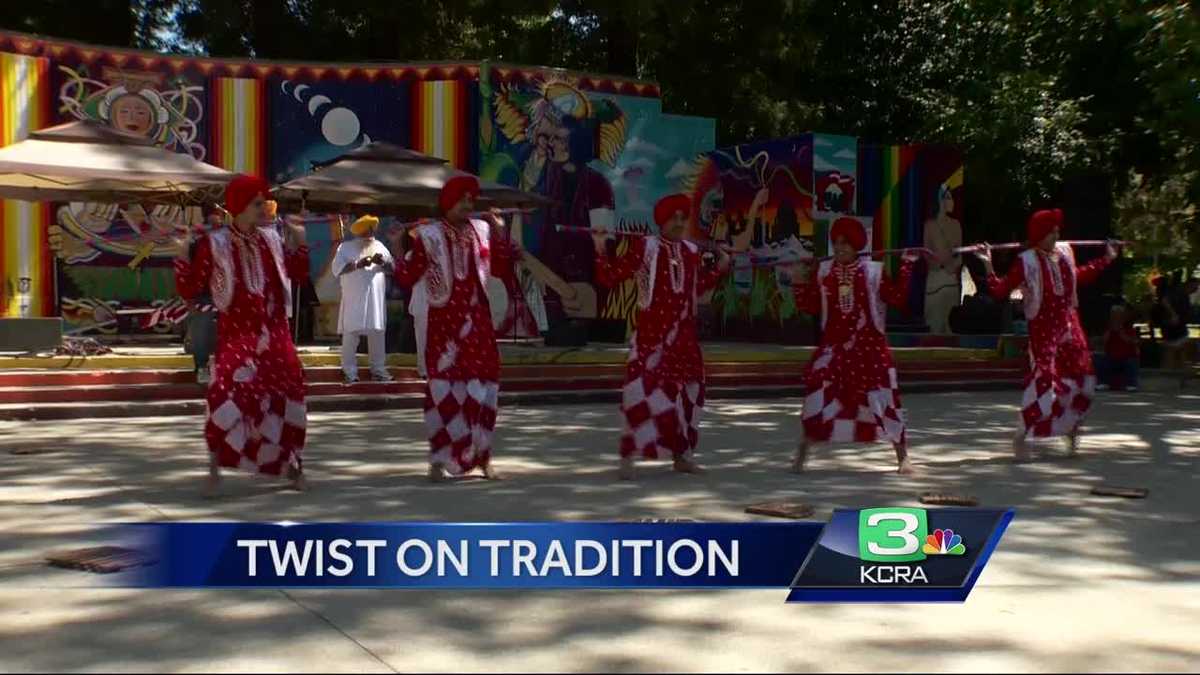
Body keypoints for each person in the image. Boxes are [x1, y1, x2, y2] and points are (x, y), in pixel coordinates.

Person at [174, 174, 311, 495]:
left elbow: (298, 274)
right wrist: (181, 256)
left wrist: (300, 241)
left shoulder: (273, 239)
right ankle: (213, 469)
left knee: (288, 396)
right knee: (224, 395)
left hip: (275, 334)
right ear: (238, 207)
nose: (265, 208)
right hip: (237, 335)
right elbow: (192, 288)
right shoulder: (215, 243)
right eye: (257, 203)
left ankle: (294, 466)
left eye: (265, 202)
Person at [591, 194, 731, 480]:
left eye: (683, 217)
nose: (679, 223)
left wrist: (721, 267)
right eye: (674, 218)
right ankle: (628, 456)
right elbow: (611, 277)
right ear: (662, 220)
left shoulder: (691, 251)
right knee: (640, 394)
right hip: (652, 339)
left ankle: (683, 456)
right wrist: (600, 247)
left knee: (691, 396)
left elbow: (697, 287)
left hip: (685, 339)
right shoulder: (646, 247)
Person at [394, 175, 522, 482]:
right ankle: (438, 461)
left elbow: (501, 270)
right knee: (443, 393)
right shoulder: (428, 235)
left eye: (471, 199)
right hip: (444, 328)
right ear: (448, 202)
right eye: (463, 199)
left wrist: (501, 234)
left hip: (478, 324)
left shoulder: (482, 230)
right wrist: (398, 250)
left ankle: (483, 457)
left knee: (484, 392)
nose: (469, 204)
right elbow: (409, 278)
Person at [976, 209, 1119, 460]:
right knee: (1044, 385)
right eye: (1051, 231)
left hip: (1069, 326)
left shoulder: (1064, 254)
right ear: (1039, 234)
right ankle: (1022, 436)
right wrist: (987, 262)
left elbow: (1080, 276)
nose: (1057, 234)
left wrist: (1106, 259)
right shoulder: (1026, 261)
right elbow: (1000, 291)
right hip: (1043, 330)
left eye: (1056, 230)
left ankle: (1072, 431)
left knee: (1082, 379)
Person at [788, 217, 920, 475]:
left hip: (870, 348)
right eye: (836, 243)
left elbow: (898, 298)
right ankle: (801, 454)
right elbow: (810, 306)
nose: (839, 248)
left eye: (845, 243)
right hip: (834, 349)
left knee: (885, 399)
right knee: (817, 393)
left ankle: (903, 457)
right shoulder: (824, 272)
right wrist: (798, 280)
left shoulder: (874, 272)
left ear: (857, 245)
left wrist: (906, 265)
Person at [333, 215, 395, 384]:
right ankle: (349, 371)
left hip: (375, 298)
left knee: (377, 332)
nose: (368, 233)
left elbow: (392, 269)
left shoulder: (380, 246)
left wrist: (383, 263)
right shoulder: (345, 247)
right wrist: (358, 264)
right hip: (354, 297)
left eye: (370, 229)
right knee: (351, 332)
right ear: (358, 231)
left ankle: (378, 369)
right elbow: (337, 270)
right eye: (364, 229)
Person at [187, 212, 223, 384]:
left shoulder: (229, 240)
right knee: (200, 330)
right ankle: (201, 367)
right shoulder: (196, 242)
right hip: (203, 293)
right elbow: (188, 267)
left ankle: (226, 366)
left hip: (226, 291)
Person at [923, 185, 962, 334]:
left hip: (951, 279)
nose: (952, 202)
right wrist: (938, 265)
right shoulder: (929, 225)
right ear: (940, 200)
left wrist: (952, 267)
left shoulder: (956, 225)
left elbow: (960, 253)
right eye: (949, 198)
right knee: (934, 323)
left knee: (951, 325)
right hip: (935, 279)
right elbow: (925, 254)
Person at [1161, 275, 1197, 389]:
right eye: (1195, 286)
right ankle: (1170, 376)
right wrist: (1173, 314)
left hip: (1180, 328)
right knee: (1172, 351)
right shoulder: (1178, 292)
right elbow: (1164, 301)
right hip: (1172, 328)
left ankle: (1182, 377)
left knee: (1184, 351)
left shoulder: (1185, 296)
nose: (1196, 289)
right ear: (1189, 285)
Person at [1096, 305, 1139, 391]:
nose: (1117, 318)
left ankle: (1131, 384)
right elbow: (1103, 341)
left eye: (1119, 315)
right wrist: (1110, 331)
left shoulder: (1129, 327)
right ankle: (1104, 383)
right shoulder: (1108, 327)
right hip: (1111, 357)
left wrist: (1122, 332)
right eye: (1114, 315)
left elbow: (1134, 341)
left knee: (1132, 361)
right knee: (1100, 359)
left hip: (1126, 357)